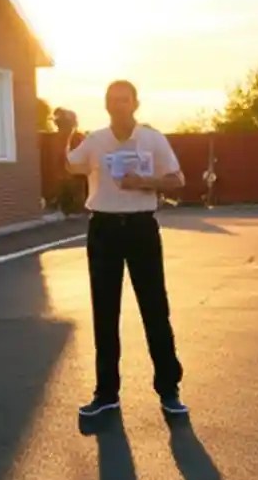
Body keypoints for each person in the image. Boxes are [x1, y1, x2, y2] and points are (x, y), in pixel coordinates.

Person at [55, 80, 188, 417]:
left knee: (155, 308)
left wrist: (142, 182)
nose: (119, 105)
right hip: (104, 230)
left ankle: (169, 389)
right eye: (113, 100)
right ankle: (107, 393)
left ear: (135, 103)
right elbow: (70, 165)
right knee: (105, 312)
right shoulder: (96, 141)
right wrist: (66, 131)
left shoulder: (152, 139)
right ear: (106, 105)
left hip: (141, 228)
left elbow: (177, 179)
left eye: (124, 100)